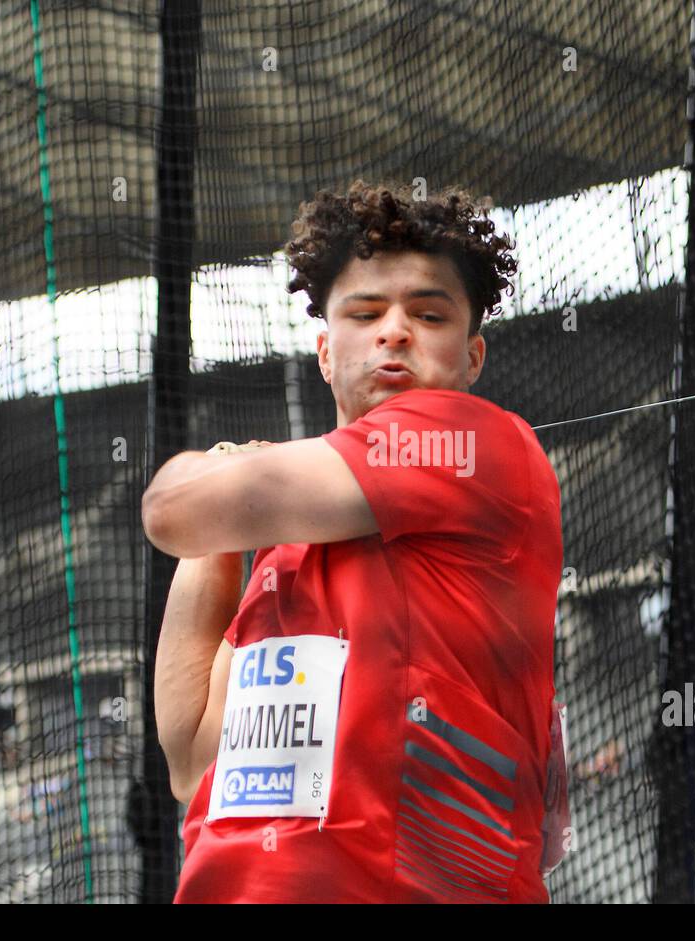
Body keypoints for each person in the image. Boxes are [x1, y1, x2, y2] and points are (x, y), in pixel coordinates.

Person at [142, 180, 565, 903]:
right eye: (365, 313)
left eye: (429, 314)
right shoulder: (287, 548)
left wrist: (218, 478)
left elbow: (169, 508)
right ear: (326, 354)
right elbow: (191, 759)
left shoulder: (474, 443)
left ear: (472, 358)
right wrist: (225, 539)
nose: (394, 330)